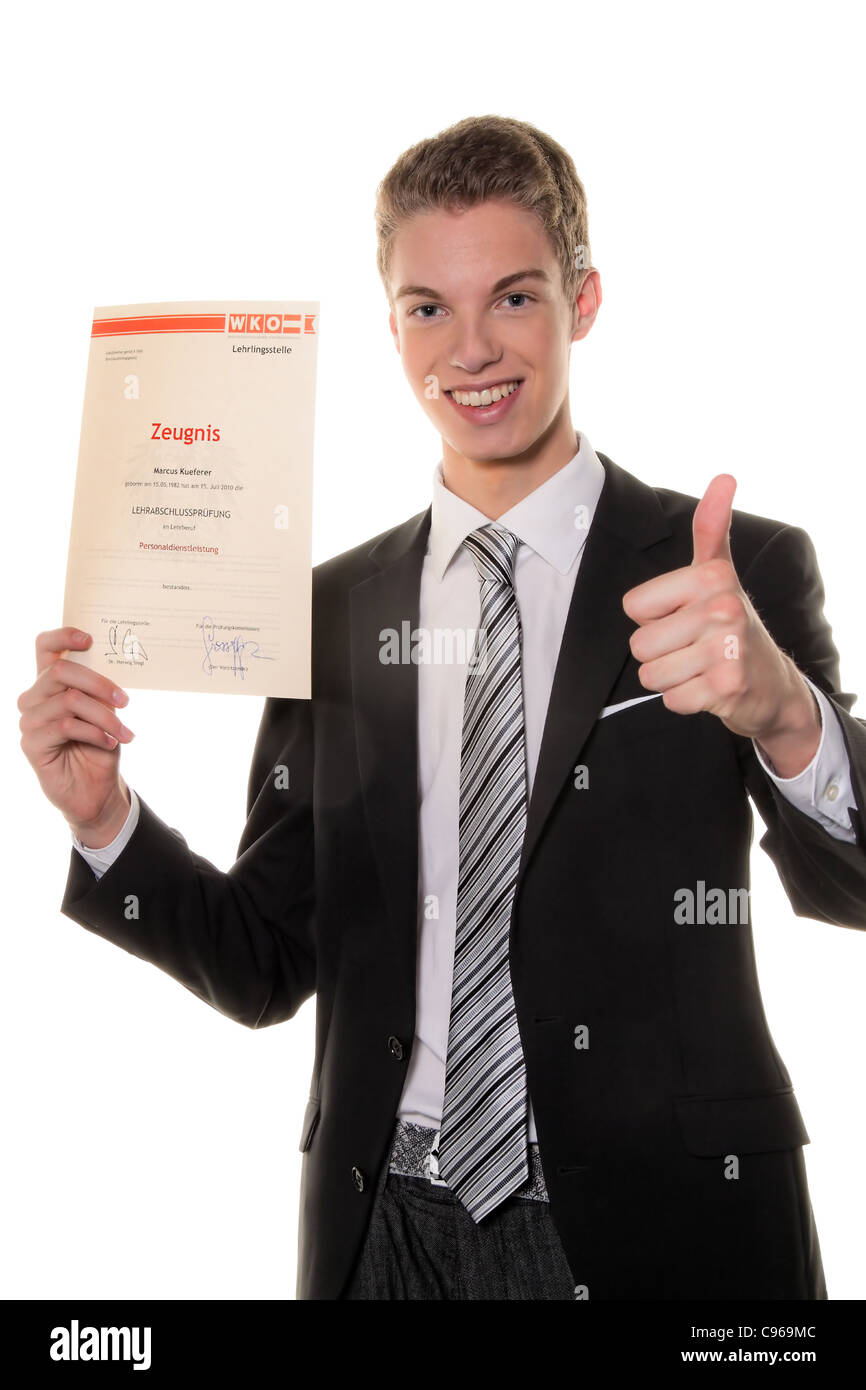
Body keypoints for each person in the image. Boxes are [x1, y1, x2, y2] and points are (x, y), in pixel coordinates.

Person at [19, 114, 866, 1300]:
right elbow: (265, 963)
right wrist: (105, 819)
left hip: (657, 1224)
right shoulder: (325, 610)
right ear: (392, 326)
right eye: (429, 308)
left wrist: (782, 714)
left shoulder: (729, 572)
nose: (470, 350)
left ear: (583, 300)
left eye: (513, 298)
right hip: (386, 1233)